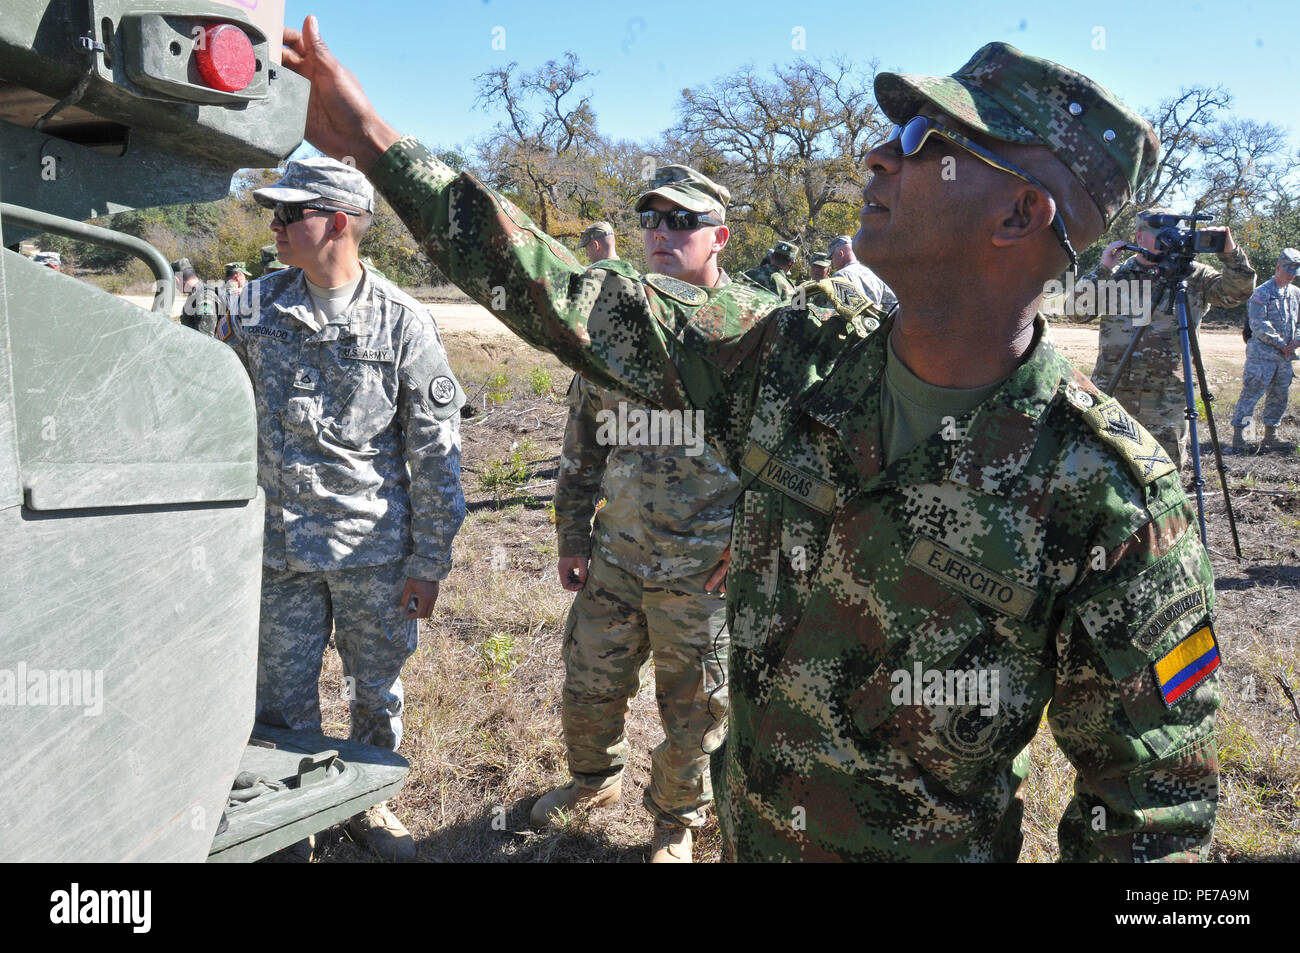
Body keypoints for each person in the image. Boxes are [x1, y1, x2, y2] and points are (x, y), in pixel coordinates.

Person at [285, 22, 1221, 862]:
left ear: (1020, 216)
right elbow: (568, 300)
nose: (875, 156)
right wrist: (374, 143)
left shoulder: (1115, 500)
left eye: (922, 143)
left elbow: (1155, 822)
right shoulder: (793, 360)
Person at [216, 155, 467, 861]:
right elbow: (214, 410)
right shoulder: (252, 308)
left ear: (334, 223)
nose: (273, 223)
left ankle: (368, 800)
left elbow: (435, 455)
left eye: (288, 212)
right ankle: (289, 821)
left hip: (373, 557)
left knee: (375, 692)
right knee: (279, 696)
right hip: (278, 551)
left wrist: (430, 563)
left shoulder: (404, 323)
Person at [538, 165, 739, 863]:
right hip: (617, 555)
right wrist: (572, 533)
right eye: (651, 220)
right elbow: (581, 445)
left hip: (702, 569)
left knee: (695, 711)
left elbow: (789, 460)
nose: (660, 234)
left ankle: (676, 822)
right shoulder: (614, 330)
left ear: (718, 236)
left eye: (680, 222)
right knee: (589, 681)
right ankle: (594, 780)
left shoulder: (751, 336)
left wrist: (749, 544)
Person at [1074, 208, 1254, 466]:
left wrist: (1231, 253)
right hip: (1113, 397)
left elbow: (1237, 293)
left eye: (1173, 236)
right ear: (1139, 237)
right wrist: (1102, 269)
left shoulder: (1194, 276)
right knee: (1104, 470)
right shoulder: (1118, 276)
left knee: (1163, 475)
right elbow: (1076, 312)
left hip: (1165, 403)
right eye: (1160, 236)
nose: (1168, 242)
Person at [1228, 247, 1300, 452]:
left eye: (1295, 272)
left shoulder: (1296, 294)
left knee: (1279, 396)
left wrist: (1296, 342)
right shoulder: (1262, 293)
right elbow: (1258, 324)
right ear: (1278, 268)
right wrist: (1282, 344)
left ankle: (1271, 436)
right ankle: (1241, 438)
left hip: (1285, 359)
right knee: (1251, 395)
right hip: (1262, 357)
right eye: (1288, 271)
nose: (1292, 275)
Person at [828, 234, 897, 309]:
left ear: (841, 254)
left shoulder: (840, 276)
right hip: (873, 320)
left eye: (832, 258)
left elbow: (832, 310)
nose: (833, 263)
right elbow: (893, 305)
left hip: (851, 320)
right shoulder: (874, 273)